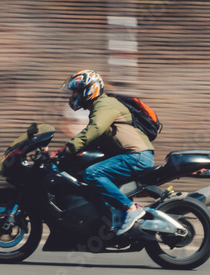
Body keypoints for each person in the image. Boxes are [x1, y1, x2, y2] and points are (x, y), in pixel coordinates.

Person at [58, 69, 154, 235]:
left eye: (77, 91)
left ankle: (131, 209)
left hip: (136, 155)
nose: (74, 96)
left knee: (93, 174)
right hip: (133, 155)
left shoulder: (104, 105)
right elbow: (97, 138)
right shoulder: (99, 107)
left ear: (89, 89)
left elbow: (94, 129)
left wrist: (68, 148)